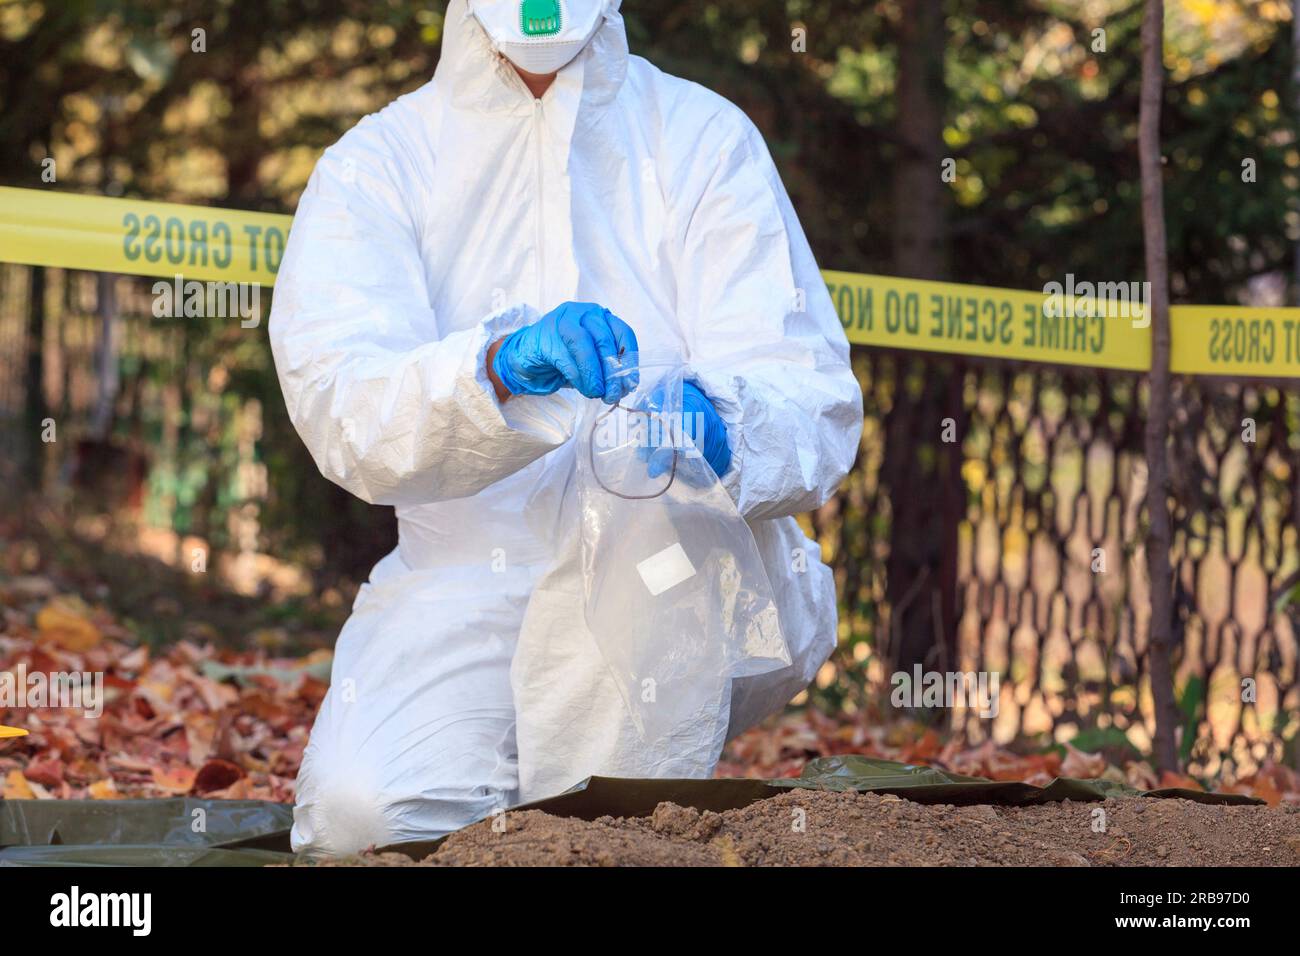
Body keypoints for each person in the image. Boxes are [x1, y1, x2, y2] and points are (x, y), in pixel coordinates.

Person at [269, 0, 864, 857]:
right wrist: (494, 371)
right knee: (366, 822)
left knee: (599, 816)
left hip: (672, 562)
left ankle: (615, 822)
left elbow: (809, 393)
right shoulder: (380, 165)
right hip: (463, 573)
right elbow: (342, 407)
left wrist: (722, 425)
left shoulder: (701, 141)